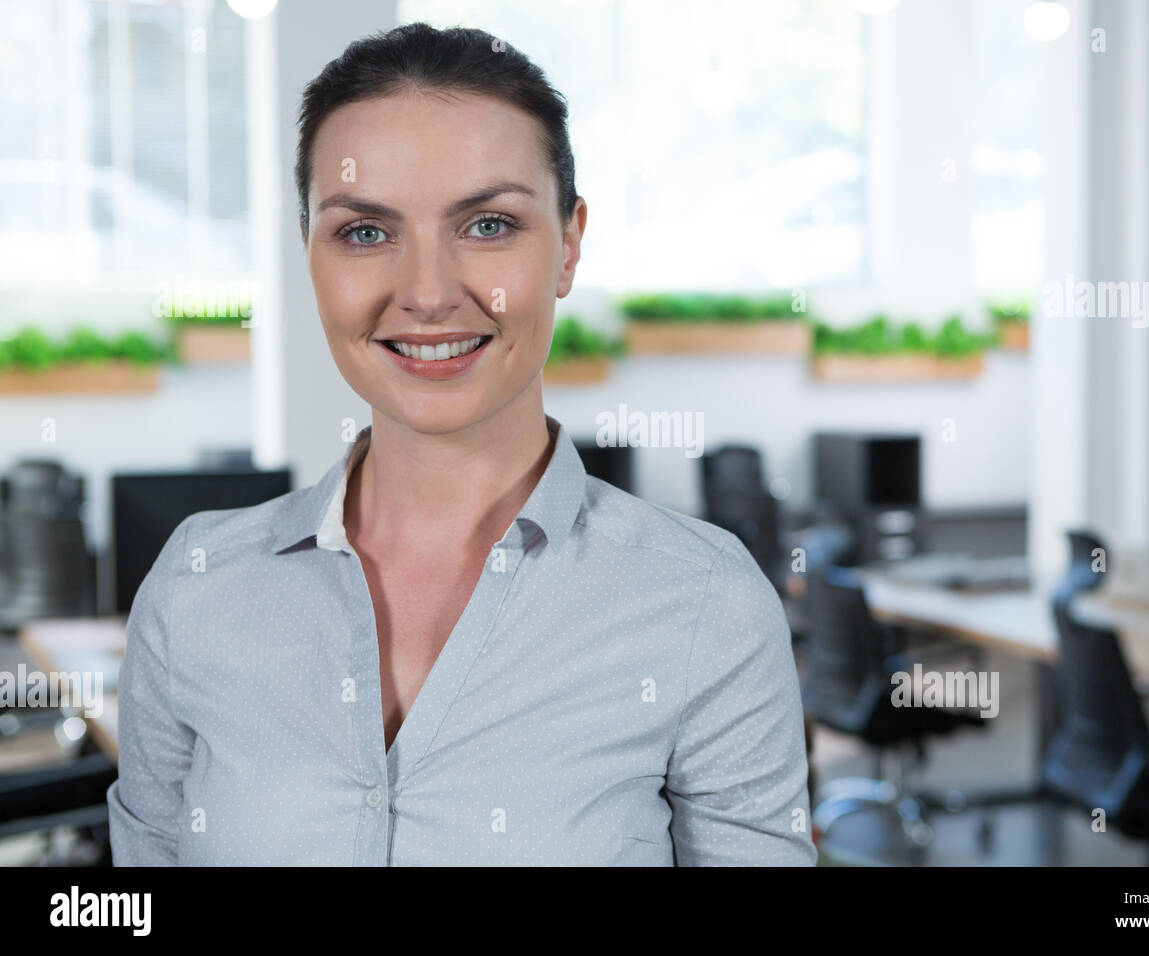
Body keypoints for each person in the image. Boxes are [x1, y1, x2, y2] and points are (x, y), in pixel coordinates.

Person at [107, 22, 815, 866]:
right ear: (310, 252)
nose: (429, 293)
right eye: (366, 232)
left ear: (570, 244)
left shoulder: (704, 603)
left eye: (487, 225)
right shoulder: (197, 591)